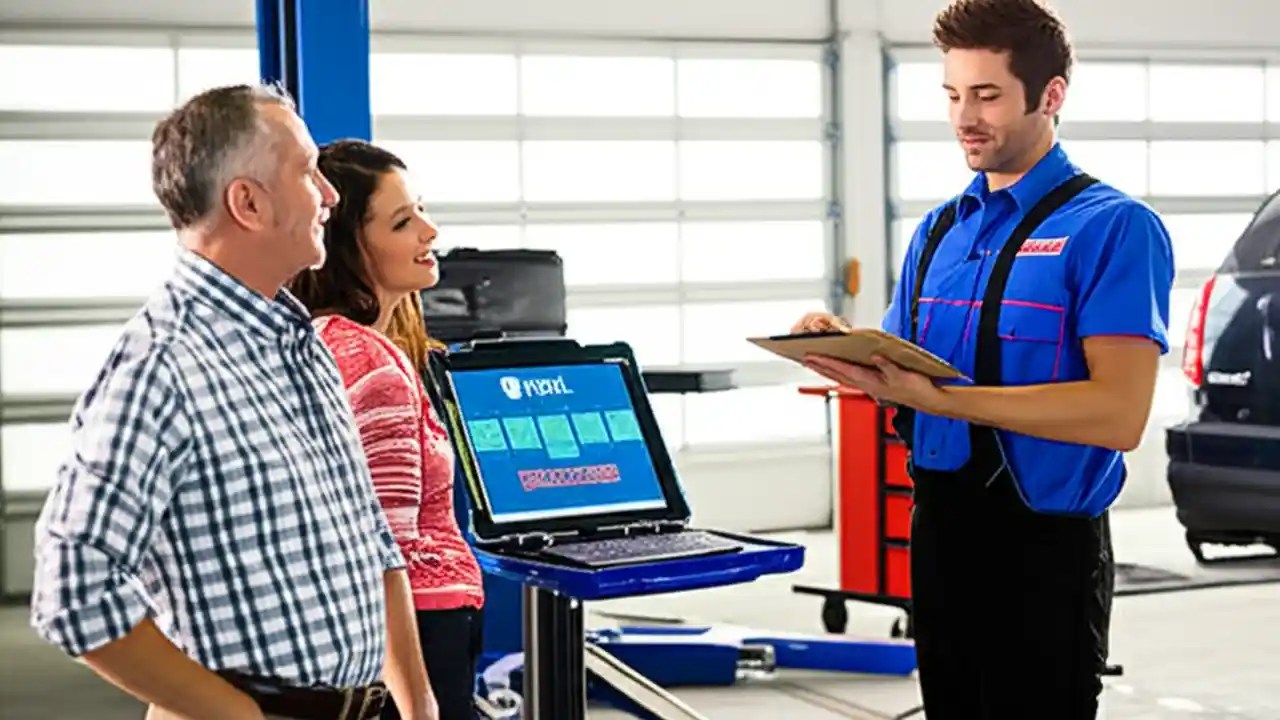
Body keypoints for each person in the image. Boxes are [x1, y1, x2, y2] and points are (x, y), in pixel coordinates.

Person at [793, 0, 1174, 717]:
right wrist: (843, 350)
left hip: (1045, 550)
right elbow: (909, 378)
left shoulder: (1115, 229)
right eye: (953, 94)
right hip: (940, 534)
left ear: (1050, 96)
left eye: (988, 95)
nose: (965, 116)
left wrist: (945, 400)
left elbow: (1118, 414)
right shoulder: (939, 232)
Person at [29, 85, 438, 720]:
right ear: (247, 202)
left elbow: (369, 534)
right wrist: (239, 715)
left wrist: (418, 702)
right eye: (307, 174)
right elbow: (72, 593)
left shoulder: (298, 342)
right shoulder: (162, 364)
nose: (329, 196)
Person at [288, 139, 485, 720]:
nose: (430, 230)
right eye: (403, 222)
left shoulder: (323, 342)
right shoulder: (371, 364)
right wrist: (420, 704)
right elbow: (385, 554)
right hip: (420, 637)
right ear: (350, 247)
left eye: (419, 209)